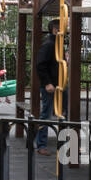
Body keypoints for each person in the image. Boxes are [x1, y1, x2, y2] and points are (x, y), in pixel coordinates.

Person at [35, 19, 60, 153]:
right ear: (55, 30)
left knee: (61, 114)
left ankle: (65, 143)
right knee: (46, 114)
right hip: (51, 85)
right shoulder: (50, 45)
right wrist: (47, 83)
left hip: (58, 84)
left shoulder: (56, 44)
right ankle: (41, 145)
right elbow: (40, 64)